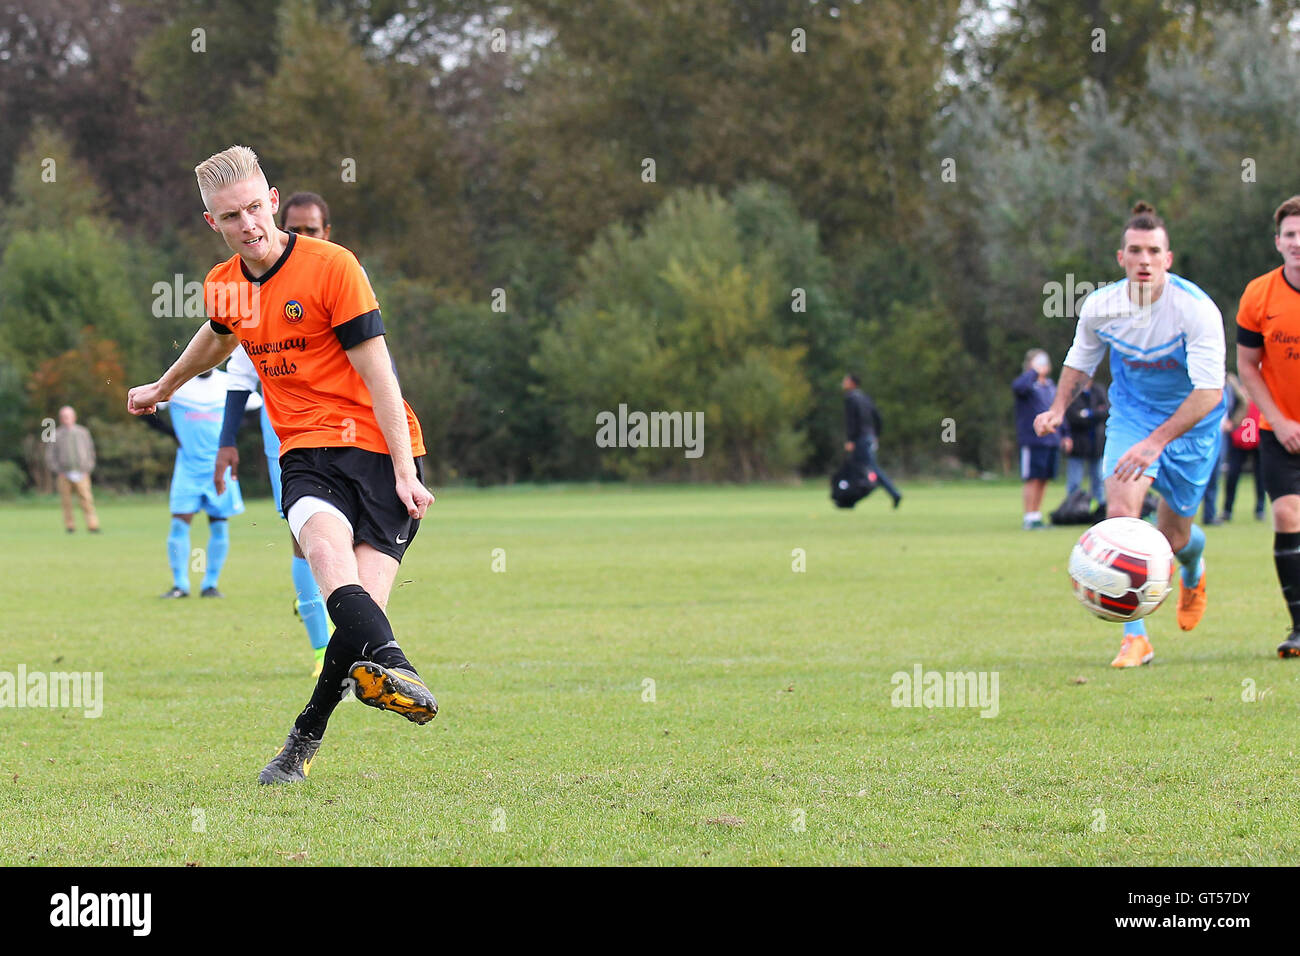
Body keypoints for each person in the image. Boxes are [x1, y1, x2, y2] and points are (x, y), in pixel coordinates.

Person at [127, 145, 436, 784]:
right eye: (230, 217)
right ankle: (398, 663)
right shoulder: (225, 284)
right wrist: (164, 387)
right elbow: (216, 337)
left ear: (273, 201)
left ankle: (298, 748)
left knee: (354, 637)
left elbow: (380, 375)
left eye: (254, 208)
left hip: (382, 448)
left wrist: (405, 470)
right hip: (306, 453)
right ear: (213, 223)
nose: (248, 225)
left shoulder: (333, 267)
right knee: (327, 557)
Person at [1036, 201, 1224, 668]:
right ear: (1121, 258)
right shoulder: (1101, 306)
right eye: (1135, 251)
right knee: (1122, 516)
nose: (1144, 260)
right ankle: (1135, 638)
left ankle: (1193, 566)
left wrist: (1157, 442)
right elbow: (1080, 361)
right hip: (1131, 417)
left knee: (1173, 537)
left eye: (1153, 251)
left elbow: (1209, 393)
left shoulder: (1196, 310)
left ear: (1168, 259)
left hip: (1189, 426)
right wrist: (1058, 408)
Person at [215, 192, 336, 676]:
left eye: (314, 230)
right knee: (304, 537)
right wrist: (226, 442)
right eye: (297, 229)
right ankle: (322, 650)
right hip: (282, 428)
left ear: (328, 233)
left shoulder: (340, 277)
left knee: (352, 538)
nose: (304, 238)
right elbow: (238, 374)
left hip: (345, 423)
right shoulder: (248, 289)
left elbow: (375, 357)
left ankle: (336, 621)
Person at [1235, 195, 1300, 657]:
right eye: (1291, 235)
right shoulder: (1259, 294)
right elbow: (1247, 365)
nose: (1299, 242)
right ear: (1278, 243)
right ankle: (1299, 626)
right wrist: (1277, 419)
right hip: (1282, 432)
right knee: (1284, 514)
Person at [152, 368, 247, 598]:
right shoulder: (177, 383)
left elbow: (255, 407)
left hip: (219, 466)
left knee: (219, 524)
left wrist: (230, 434)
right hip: (188, 467)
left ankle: (210, 584)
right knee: (179, 523)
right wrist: (172, 433)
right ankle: (180, 585)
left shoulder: (228, 382)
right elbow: (148, 407)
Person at [1012, 349, 1068, 529]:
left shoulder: (1051, 386)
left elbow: (1058, 411)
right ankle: (1029, 517)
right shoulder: (1027, 384)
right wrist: (1034, 372)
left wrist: (1065, 434)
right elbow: (1018, 387)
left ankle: (1036, 515)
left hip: (1051, 439)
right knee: (1033, 478)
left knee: (1044, 478)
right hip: (1033, 440)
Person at [841, 373, 902, 508]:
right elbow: (878, 418)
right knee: (863, 469)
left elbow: (852, 422)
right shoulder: (865, 398)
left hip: (859, 440)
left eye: (845, 380)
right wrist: (876, 435)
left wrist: (850, 440)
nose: (843, 383)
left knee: (868, 469)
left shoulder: (851, 399)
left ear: (852, 383)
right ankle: (851, 499)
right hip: (869, 437)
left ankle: (893, 493)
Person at [45, 405, 100, 534]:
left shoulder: (83, 432)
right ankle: (70, 526)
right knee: (66, 502)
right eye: (63, 417)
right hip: (64, 474)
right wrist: (58, 470)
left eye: (68, 416)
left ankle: (93, 525)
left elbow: (90, 451)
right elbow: (50, 455)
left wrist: (88, 468)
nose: (66, 419)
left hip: (82, 472)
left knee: (86, 500)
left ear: (74, 417)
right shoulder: (56, 434)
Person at [1221, 377, 1265, 523]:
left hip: (1258, 442)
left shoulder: (1263, 400)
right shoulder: (1238, 398)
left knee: (1261, 477)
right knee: (1232, 475)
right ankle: (1227, 510)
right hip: (1237, 441)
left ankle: (1260, 509)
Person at [1064, 379, 1108, 508]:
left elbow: (1105, 411)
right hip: (1078, 443)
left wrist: (1088, 414)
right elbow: (1073, 416)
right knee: (1075, 481)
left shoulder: (1098, 390)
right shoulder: (1072, 392)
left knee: (1098, 480)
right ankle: (1073, 508)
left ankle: (1099, 508)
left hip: (1097, 444)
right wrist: (1094, 415)